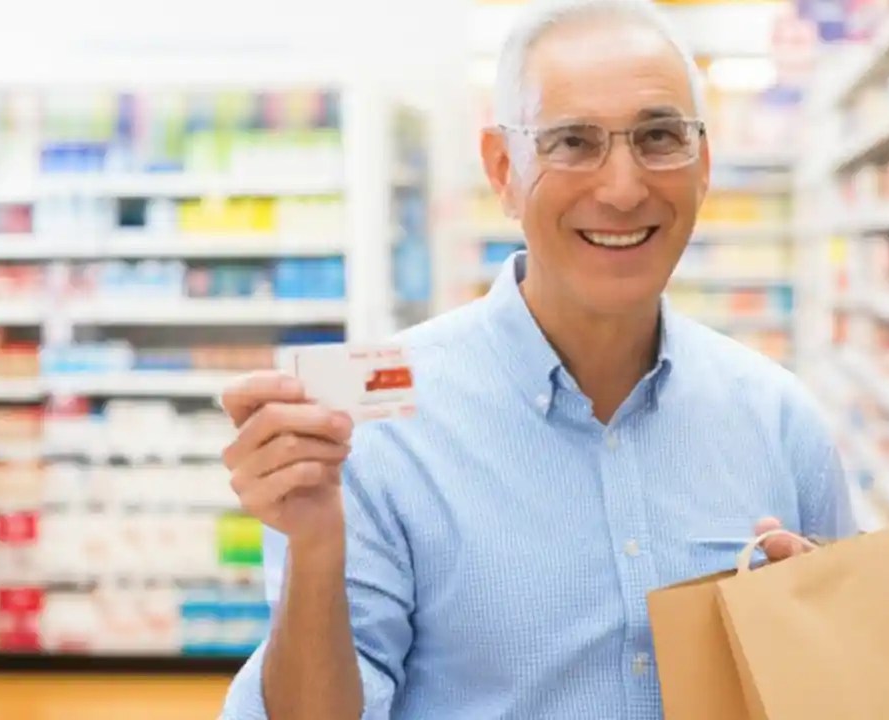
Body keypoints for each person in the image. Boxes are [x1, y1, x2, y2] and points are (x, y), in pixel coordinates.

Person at [219, 0, 854, 717]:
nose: (622, 188)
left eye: (658, 136)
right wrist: (314, 552)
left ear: (702, 164)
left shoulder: (779, 421)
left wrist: (823, 660)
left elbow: (859, 687)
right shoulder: (375, 427)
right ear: (503, 169)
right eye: (572, 142)